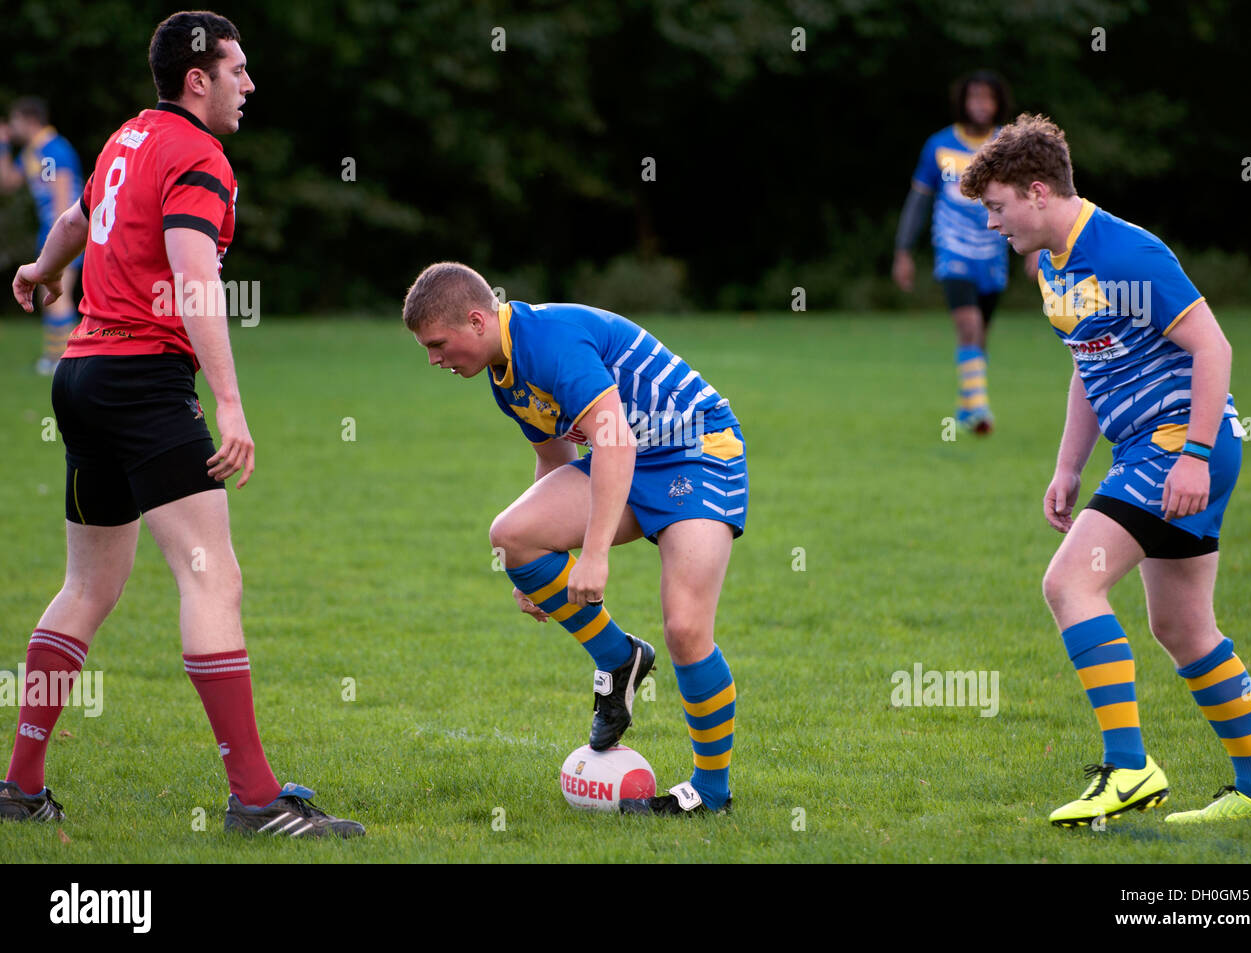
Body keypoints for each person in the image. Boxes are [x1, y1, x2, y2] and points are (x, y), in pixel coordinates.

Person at [1, 11, 363, 837]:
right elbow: (195, 278)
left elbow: (74, 222)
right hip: (142, 383)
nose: (249, 85)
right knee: (212, 579)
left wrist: (40, 269)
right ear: (198, 79)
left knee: (86, 587)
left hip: (83, 378)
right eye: (238, 70)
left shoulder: (128, 138)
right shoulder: (200, 155)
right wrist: (228, 401)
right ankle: (256, 800)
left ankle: (20, 786)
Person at [959, 113, 1251, 825]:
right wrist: (1068, 465)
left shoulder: (1124, 251)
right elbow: (1091, 361)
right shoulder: (1053, 265)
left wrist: (1195, 455)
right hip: (1153, 449)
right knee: (1184, 627)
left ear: (1038, 192)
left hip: (1178, 445)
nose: (991, 223)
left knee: (1068, 583)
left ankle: (1129, 767)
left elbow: (1215, 347)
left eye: (997, 207)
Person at [404, 263, 742, 816]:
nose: (434, 359)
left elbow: (614, 440)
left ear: (476, 321)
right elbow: (555, 459)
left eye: (438, 344)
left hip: (697, 453)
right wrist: (537, 565)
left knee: (685, 628)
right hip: (629, 458)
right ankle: (620, 657)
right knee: (511, 536)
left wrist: (594, 554)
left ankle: (711, 795)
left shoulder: (548, 342)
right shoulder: (504, 373)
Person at [892, 70, 1027, 435]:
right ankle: (980, 410)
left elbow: (1028, 198)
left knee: (980, 332)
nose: (981, 105)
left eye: (988, 98)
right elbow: (918, 201)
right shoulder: (938, 145)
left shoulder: (1006, 145)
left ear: (998, 103)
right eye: (974, 97)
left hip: (993, 251)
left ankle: (966, 406)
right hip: (952, 250)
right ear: (963, 102)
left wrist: (1035, 249)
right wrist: (903, 251)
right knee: (968, 327)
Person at [0, 97, 84, 374]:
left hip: (64, 234)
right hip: (50, 234)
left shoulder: (55, 149)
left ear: (29, 120)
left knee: (58, 294)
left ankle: (67, 358)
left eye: (15, 121)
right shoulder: (32, 152)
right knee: (48, 296)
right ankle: (56, 356)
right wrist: (2, 146)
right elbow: (8, 183)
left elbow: (63, 202)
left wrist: (61, 239)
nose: (13, 126)